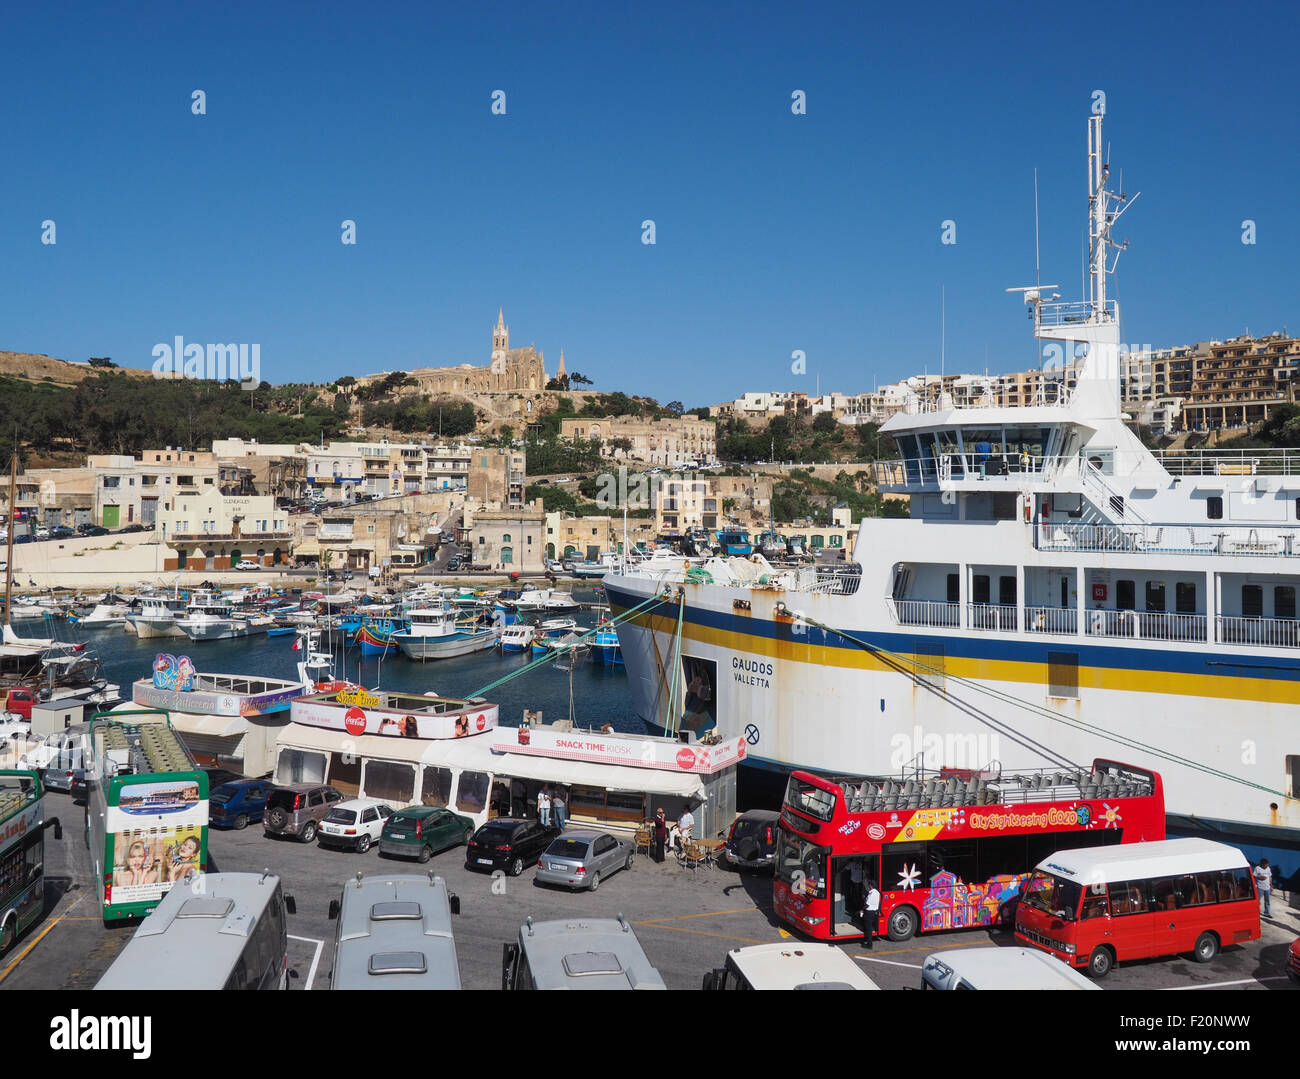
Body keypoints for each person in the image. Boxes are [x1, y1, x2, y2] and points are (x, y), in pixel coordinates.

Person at [862, 880, 881, 949]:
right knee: (869, 927)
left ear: (871, 885)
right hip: (874, 912)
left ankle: (869, 944)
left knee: (868, 928)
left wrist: (862, 909)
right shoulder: (877, 893)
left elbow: (867, 905)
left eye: (869, 885)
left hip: (869, 912)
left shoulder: (871, 894)